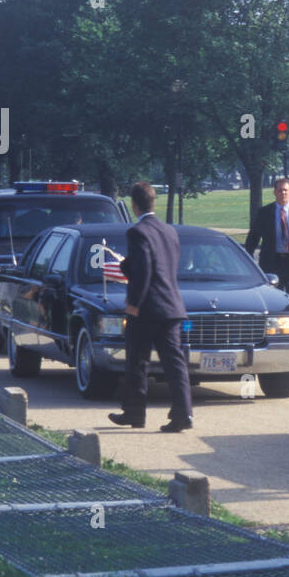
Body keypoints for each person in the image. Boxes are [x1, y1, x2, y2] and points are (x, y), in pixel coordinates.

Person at [109, 182, 193, 432]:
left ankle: (134, 413)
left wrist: (133, 302)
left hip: (147, 308)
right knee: (174, 363)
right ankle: (183, 413)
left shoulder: (137, 232)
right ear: (153, 202)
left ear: (134, 205)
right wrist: (126, 264)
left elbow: (144, 269)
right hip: (172, 307)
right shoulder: (169, 231)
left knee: (137, 361)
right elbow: (158, 265)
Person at [244, 177, 289, 304]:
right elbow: (252, 240)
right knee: (271, 298)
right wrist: (246, 263)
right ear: (274, 192)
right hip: (271, 262)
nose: (283, 193)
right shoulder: (264, 213)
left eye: (286, 190)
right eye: (280, 190)